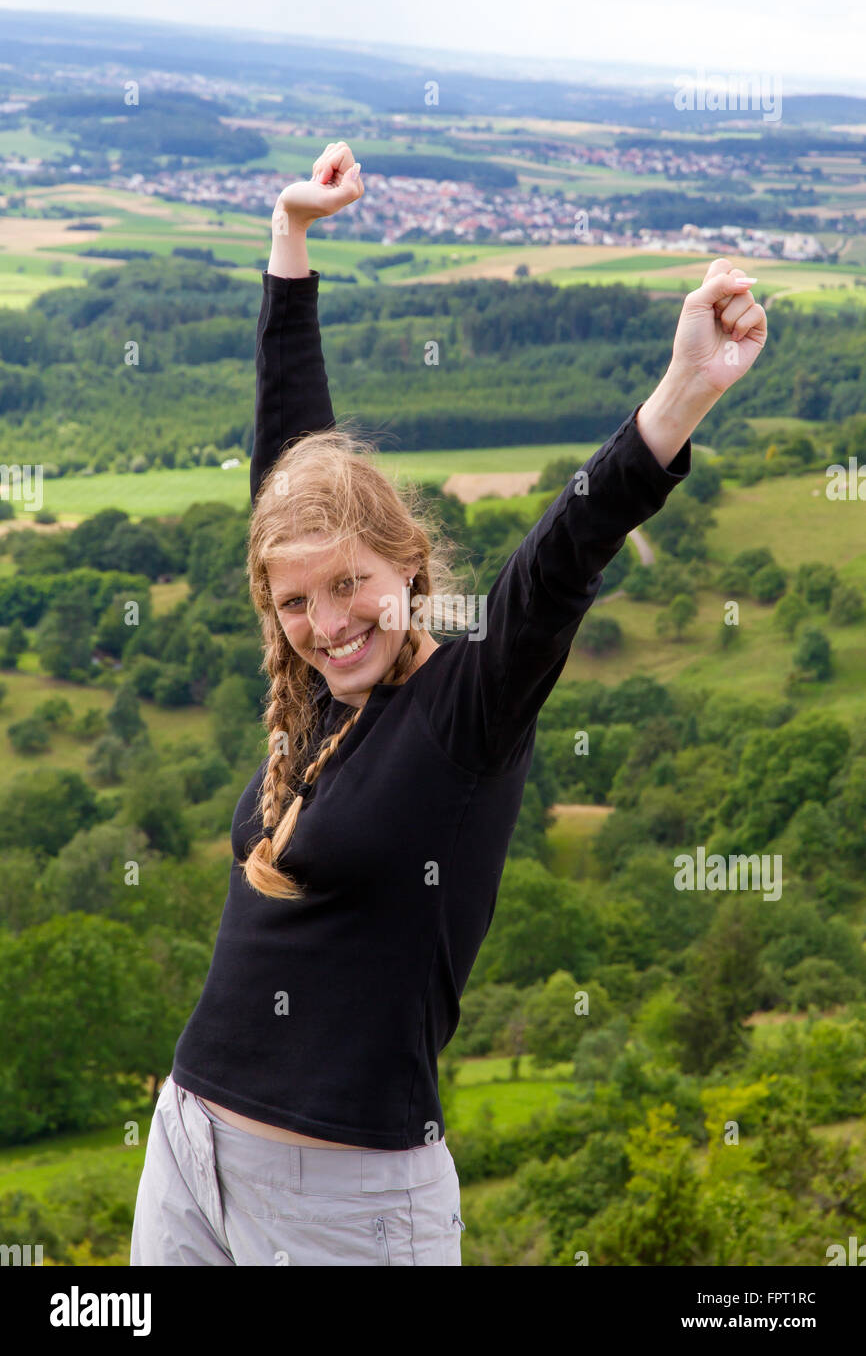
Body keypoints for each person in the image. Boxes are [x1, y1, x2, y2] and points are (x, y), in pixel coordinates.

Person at [130, 142, 767, 1266]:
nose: (328, 623)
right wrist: (289, 243)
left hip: (347, 1203)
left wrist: (682, 391)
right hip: (186, 1154)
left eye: (350, 588)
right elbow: (290, 460)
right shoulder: (310, 693)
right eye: (294, 600)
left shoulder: (464, 707)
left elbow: (563, 555)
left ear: (405, 565)